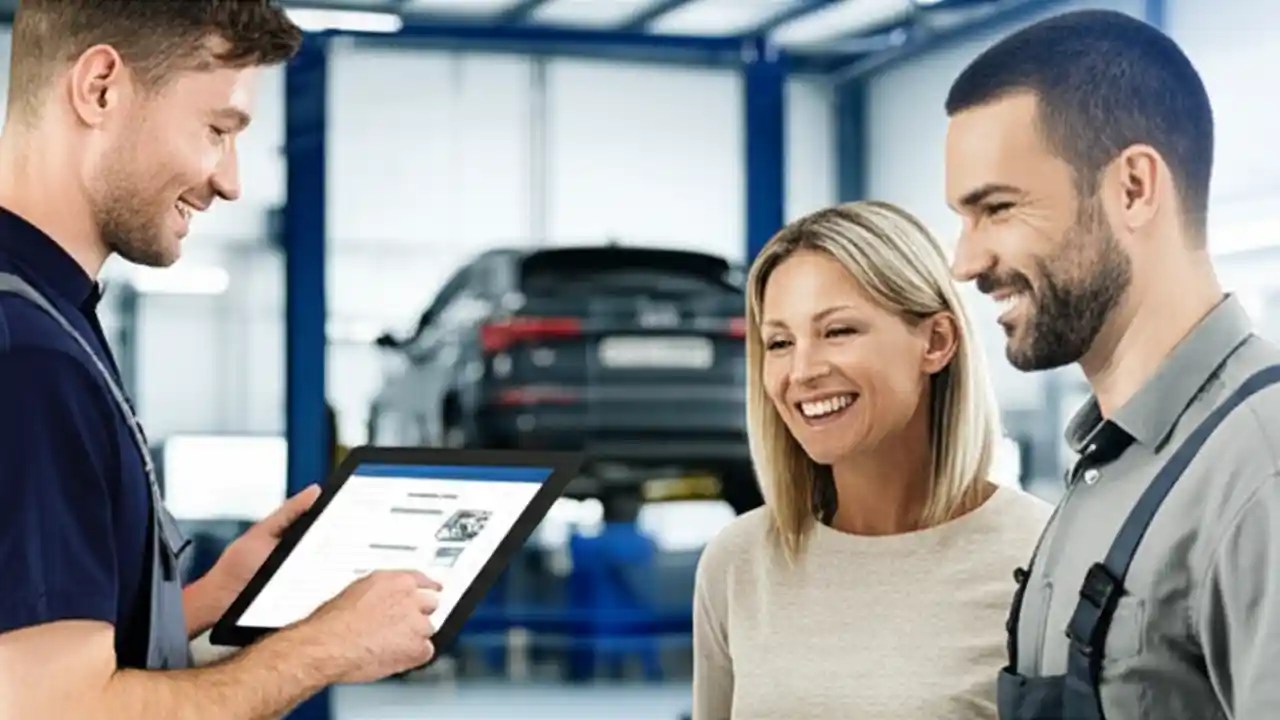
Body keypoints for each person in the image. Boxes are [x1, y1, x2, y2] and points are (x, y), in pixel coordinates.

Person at [0, 2, 441, 718]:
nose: (229, 181)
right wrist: (327, 646)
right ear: (101, 87)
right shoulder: (28, 356)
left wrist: (207, 599)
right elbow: (58, 710)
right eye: (217, 130)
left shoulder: (46, 316)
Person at [944, 9, 1280, 719]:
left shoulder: (1259, 472)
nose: (964, 262)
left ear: (1132, 187)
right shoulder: (1110, 467)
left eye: (997, 209)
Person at [691, 200, 1053, 720]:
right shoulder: (737, 563)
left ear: (936, 341)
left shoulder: (1043, 558)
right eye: (779, 342)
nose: (802, 370)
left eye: (837, 331)